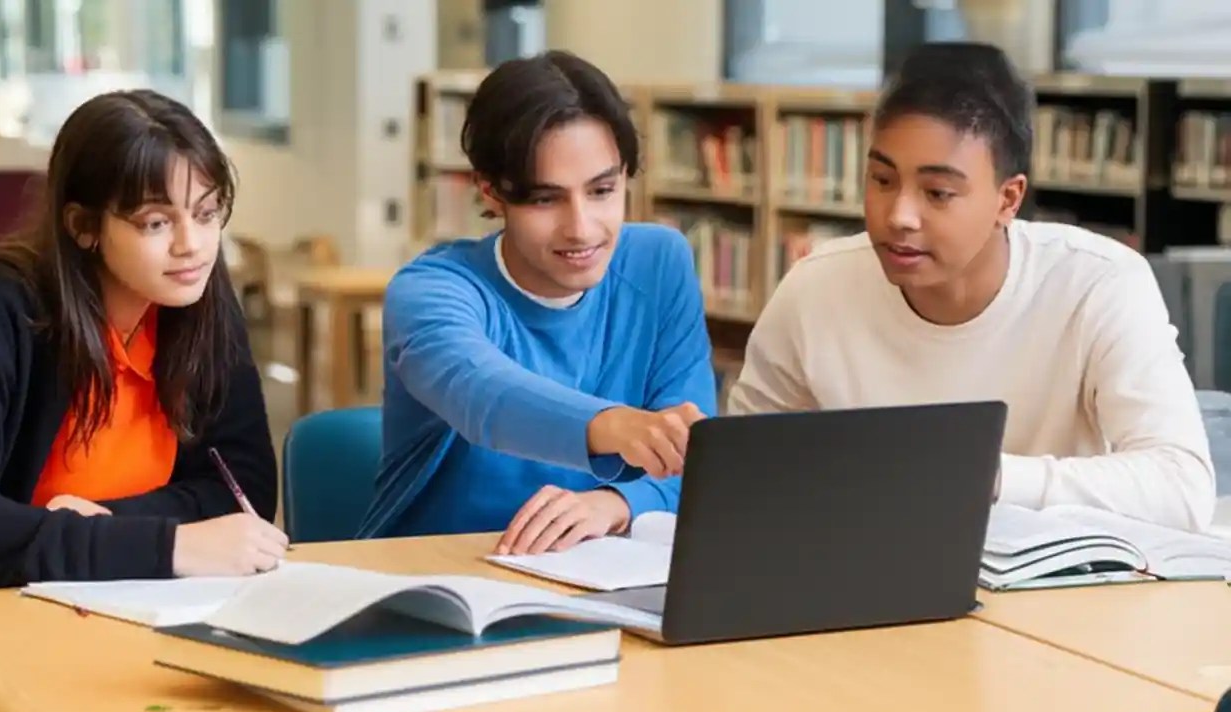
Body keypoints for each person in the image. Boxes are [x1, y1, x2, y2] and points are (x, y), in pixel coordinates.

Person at [727, 42, 1215, 532]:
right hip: (865, 579)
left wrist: (984, 476)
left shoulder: (1098, 283)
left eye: (937, 193)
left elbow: (1181, 486)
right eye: (881, 180)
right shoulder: (815, 289)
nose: (899, 215)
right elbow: (738, 476)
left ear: (1008, 199)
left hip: (1057, 593)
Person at [356, 50, 717, 554]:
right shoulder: (429, 291)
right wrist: (617, 426)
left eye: (603, 190)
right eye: (546, 199)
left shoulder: (660, 264)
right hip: (435, 577)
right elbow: (481, 392)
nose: (582, 228)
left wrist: (612, 505)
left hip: (595, 576)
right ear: (491, 193)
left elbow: (696, 457)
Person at [0, 89, 287, 588]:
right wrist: (168, 544)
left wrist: (106, 524)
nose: (190, 245)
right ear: (84, 227)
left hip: (134, 602)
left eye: (207, 213)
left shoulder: (197, 296)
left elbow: (242, 488)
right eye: (156, 222)